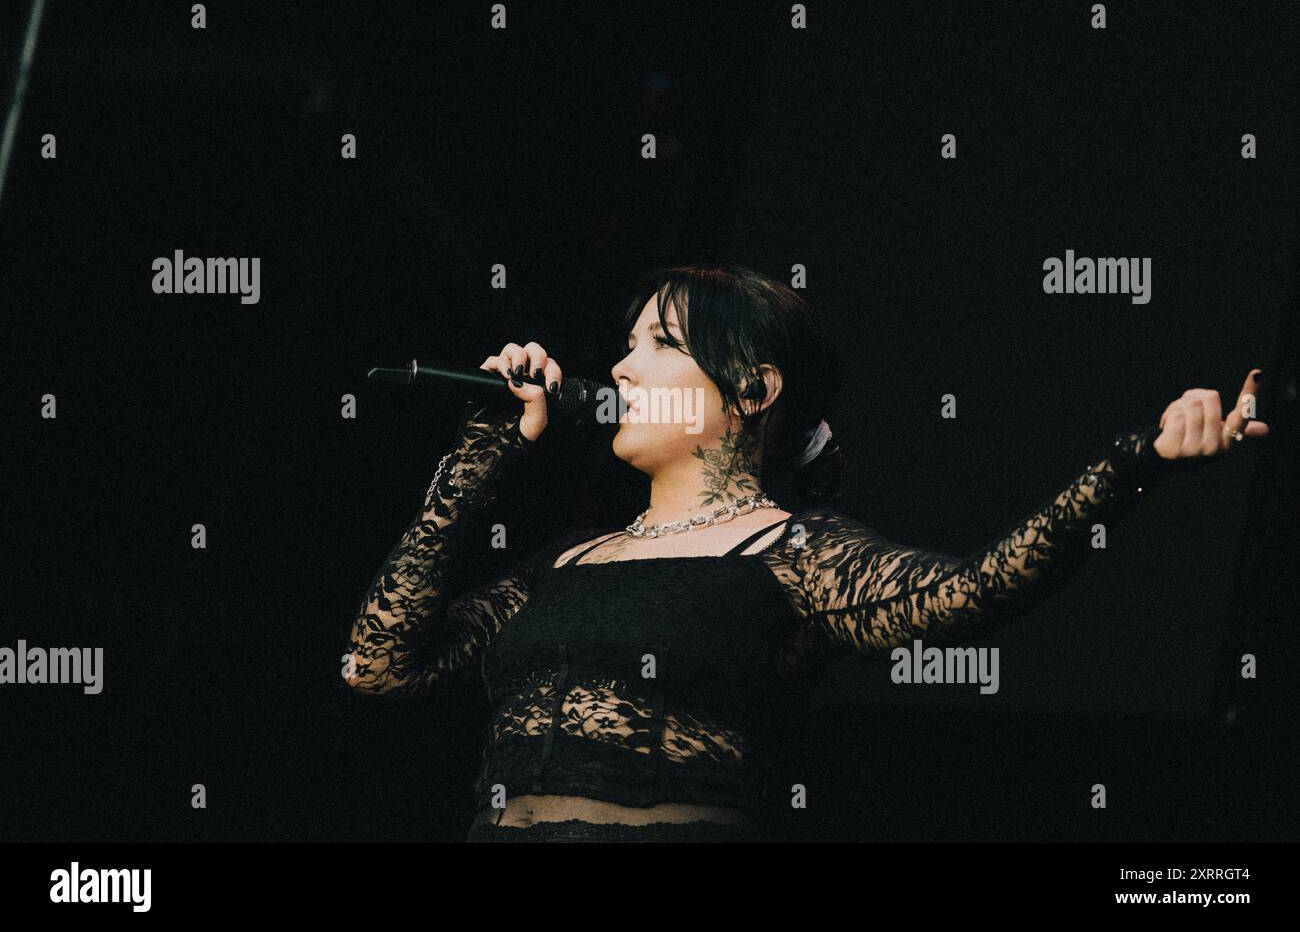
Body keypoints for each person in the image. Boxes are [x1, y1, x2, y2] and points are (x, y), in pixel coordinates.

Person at [343, 265, 1268, 843]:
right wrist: (484, 452)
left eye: (659, 346)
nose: (621, 370)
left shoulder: (793, 552)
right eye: (624, 348)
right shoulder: (565, 562)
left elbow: (977, 591)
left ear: (752, 389)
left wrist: (1131, 464)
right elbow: (377, 666)